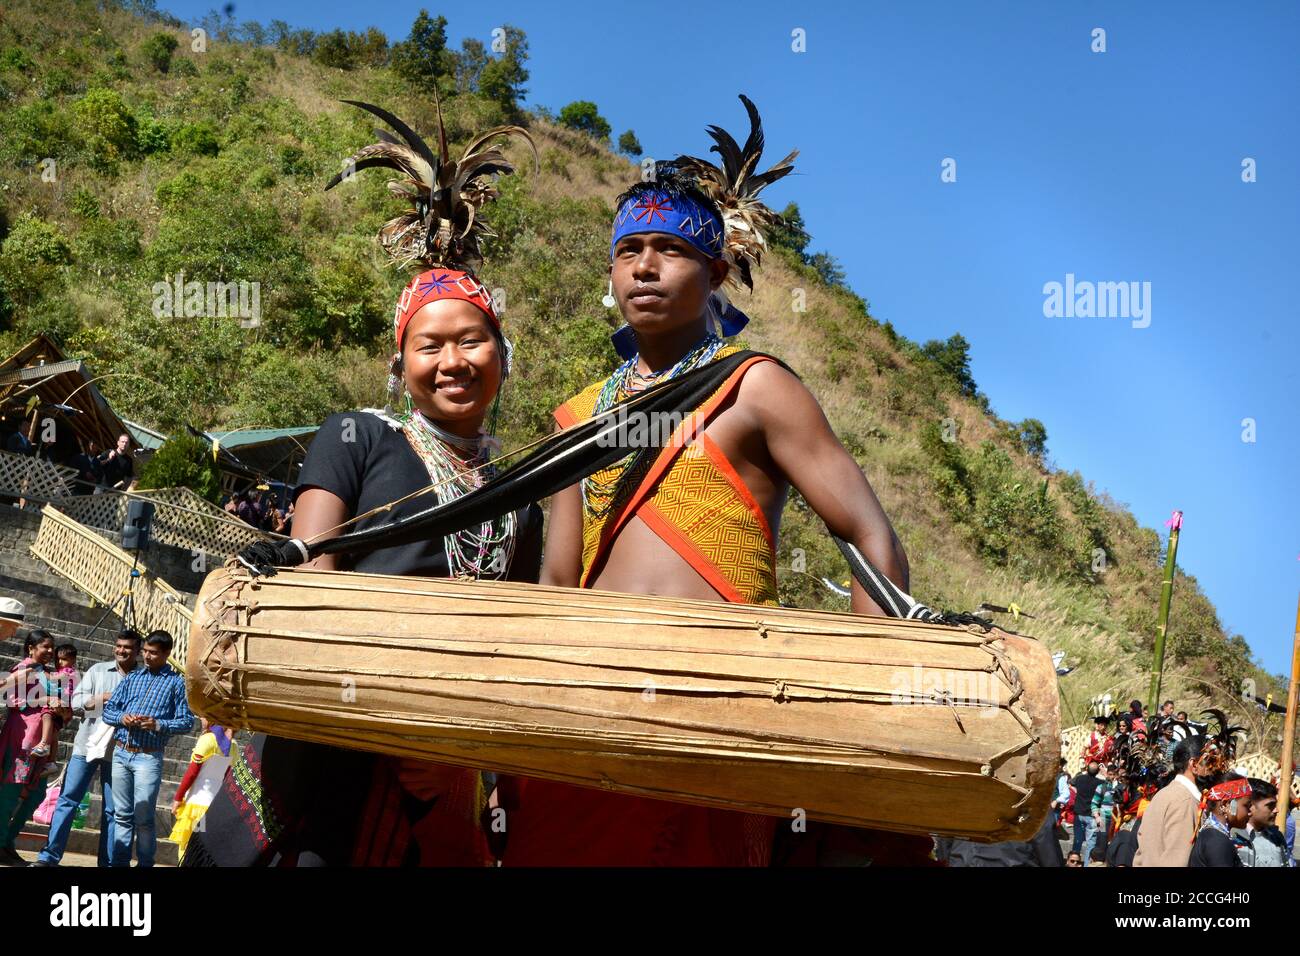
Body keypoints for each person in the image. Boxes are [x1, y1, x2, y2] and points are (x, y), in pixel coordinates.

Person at [504, 97, 913, 867]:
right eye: (630, 251)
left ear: (717, 273)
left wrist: (869, 705)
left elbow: (868, 534)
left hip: (718, 706)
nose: (646, 267)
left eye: (669, 250)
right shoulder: (577, 416)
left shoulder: (755, 388)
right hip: (590, 714)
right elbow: (558, 582)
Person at [183, 100, 541, 868]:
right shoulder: (357, 435)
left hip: (443, 755)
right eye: (428, 345)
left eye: (472, 340)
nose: (452, 361)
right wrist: (384, 696)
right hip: (329, 733)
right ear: (399, 364)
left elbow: (529, 622)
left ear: (503, 357)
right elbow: (314, 575)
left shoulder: (520, 489)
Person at [32, 629, 141, 867]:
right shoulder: (98, 671)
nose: (121, 651)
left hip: (120, 752)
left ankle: (109, 863)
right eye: (119, 646)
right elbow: (78, 702)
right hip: (87, 746)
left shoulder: (143, 677)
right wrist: (101, 697)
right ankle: (48, 858)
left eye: (128, 647)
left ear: (138, 652)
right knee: (67, 800)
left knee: (113, 811)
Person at [101, 630, 194, 868]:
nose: (147, 656)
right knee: (121, 815)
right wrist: (123, 718)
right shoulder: (132, 677)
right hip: (121, 752)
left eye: (153, 653)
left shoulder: (175, 683)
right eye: (145, 651)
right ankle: (119, 864)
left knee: (143, 817)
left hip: (148, 757)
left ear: (167, 654)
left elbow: (186, 722)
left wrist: (158, 724)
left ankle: (145, 864)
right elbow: (109, 711)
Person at [0, 630, 64, 865]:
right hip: (23, 740)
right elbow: (11, 699)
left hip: (45, 742)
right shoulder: (23, 669)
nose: (49, 651)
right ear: (30, 648)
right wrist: (45, 701)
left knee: (35, 796)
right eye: (44, 646)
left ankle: (7, 841)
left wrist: (60, 708)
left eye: (51, 647)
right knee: (10, 793)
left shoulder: (50, 674)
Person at [1134, 736, 1207, 866]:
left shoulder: (1163, 794)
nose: (1217, 768)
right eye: (1211, 761)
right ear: (1194, 764)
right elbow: (1176, 860)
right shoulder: (1185, 801)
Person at [168, 719, 233, 863]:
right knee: (201, 847)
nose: (201, 720)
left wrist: (178, 798)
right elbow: (228, 777)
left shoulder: (207, 740)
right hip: (214, 806)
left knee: (187, 846)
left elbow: (192, 772)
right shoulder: (233, 745)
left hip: (196, 805)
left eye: (203, 717)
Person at [30, 643, 78, 767]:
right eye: (57, 659)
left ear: (73, 660)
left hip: (63, 703)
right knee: (55, 733)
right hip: (65, 704)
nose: (60, 662)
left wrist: (40, 670)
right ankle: (51, 762)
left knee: (46, 714)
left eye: (64, 659)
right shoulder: (69, 671)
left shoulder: (68, 671)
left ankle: (44, 744)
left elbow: (52, 679)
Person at [1189, 775, 1249, 867]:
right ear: (1225, 804)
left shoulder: (1212, 835)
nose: (1250, 811)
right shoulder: (1217, 841)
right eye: (1247, 805)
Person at [1233, 778, 1289, 867]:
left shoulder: (1276, 837)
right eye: (1270, 805)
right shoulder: (1234, 838)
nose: (1276, 810)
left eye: (1275, 805)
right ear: (1250, 807)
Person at [1070, 761, 1103, 856]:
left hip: (1079, 813)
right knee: (1090, 844)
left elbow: (1071, 782)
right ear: (1097, 772)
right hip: (1091, 815)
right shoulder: (1100, 783)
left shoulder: (1079, 778)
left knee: (1077, 840)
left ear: (1087, 769)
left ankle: (1073, 861)